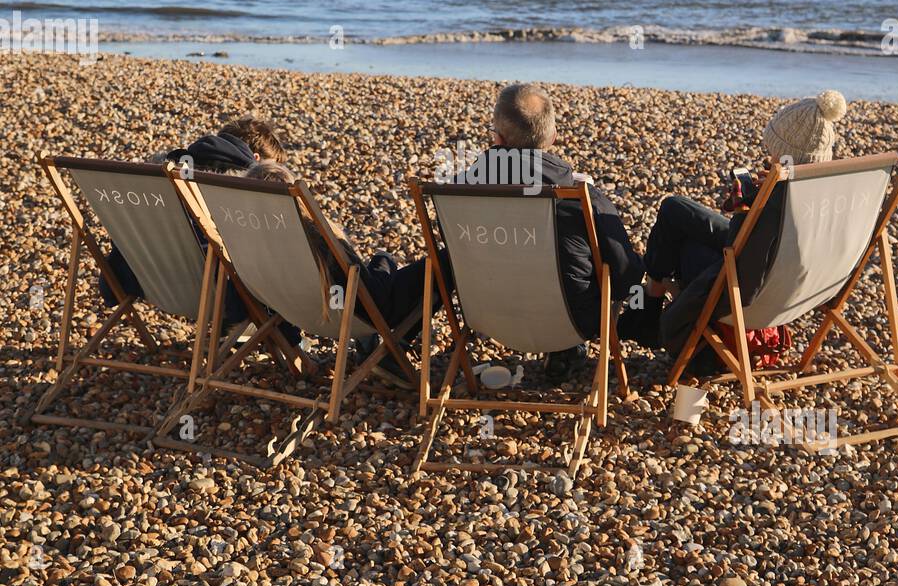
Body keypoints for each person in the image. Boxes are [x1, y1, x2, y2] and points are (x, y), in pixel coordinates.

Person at [618, 90, 848, 374]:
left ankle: (648, 305)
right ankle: (650, 299)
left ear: (785, 152)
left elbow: (741, 257)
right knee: (675, 209)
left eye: (774, 151)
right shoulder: (828, 193)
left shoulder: (777, 198)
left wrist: (748, 207)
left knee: (684, 241)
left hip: (752, 288)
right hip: (802, 290)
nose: (769, 156)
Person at [463, 83, 644, 381]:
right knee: (591, 266)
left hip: (488, 316)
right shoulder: (579, 195)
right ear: (552, 137)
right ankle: (565, 349)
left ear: (497, 138)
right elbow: (626, 271)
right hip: (573, 320)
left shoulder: (461, 191)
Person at [245, 160, 445, 378]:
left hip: (303, 313)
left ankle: (376, 343)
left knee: (371, 271)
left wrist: (294, 351)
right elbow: (373, 295)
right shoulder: (319, 236)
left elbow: (265, 305)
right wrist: (385, 262)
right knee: (439, 264)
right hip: (352, 314)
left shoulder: (252, 247)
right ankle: (392, 351)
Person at [98, 116, 287, 317]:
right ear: (256, 160)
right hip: (219, 295)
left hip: (143, 279)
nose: (268, 176)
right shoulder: (238, 188)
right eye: (268, 169)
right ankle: (279, 336)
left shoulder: (160, 175)